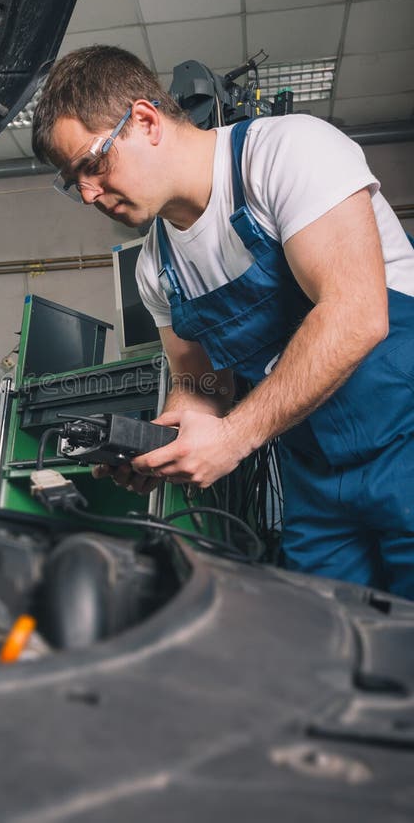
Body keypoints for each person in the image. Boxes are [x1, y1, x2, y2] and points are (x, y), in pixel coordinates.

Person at [32, 45, 414, 598]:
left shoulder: (285, 155)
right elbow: (200, 383)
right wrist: (162, 442)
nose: (90, 193)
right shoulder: (157, 268)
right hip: (314, 475)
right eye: (75, 182)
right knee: (333, 643)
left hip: (405, 441)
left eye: (93, 164)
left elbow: (355, 314)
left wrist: (234, 436)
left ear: (144, 120)